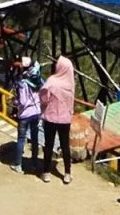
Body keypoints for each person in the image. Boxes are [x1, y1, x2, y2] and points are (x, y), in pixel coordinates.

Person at [39, 54, 77, 183]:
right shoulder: (70, 83)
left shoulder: (52, 81)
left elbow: (44, 99)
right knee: (65, 145)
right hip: (65, 119)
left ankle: (46, 172)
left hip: (51, 117)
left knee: (48, 145)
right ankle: (67, 173)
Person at [11, 57, 43, 173]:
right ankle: (34, 163)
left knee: (21, 139)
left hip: (25, 114)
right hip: (36, 112)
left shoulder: (22, 83)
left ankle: (18, 164)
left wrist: (15, 102)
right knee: (34, 138)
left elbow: (23, 102)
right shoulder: (37, 79)